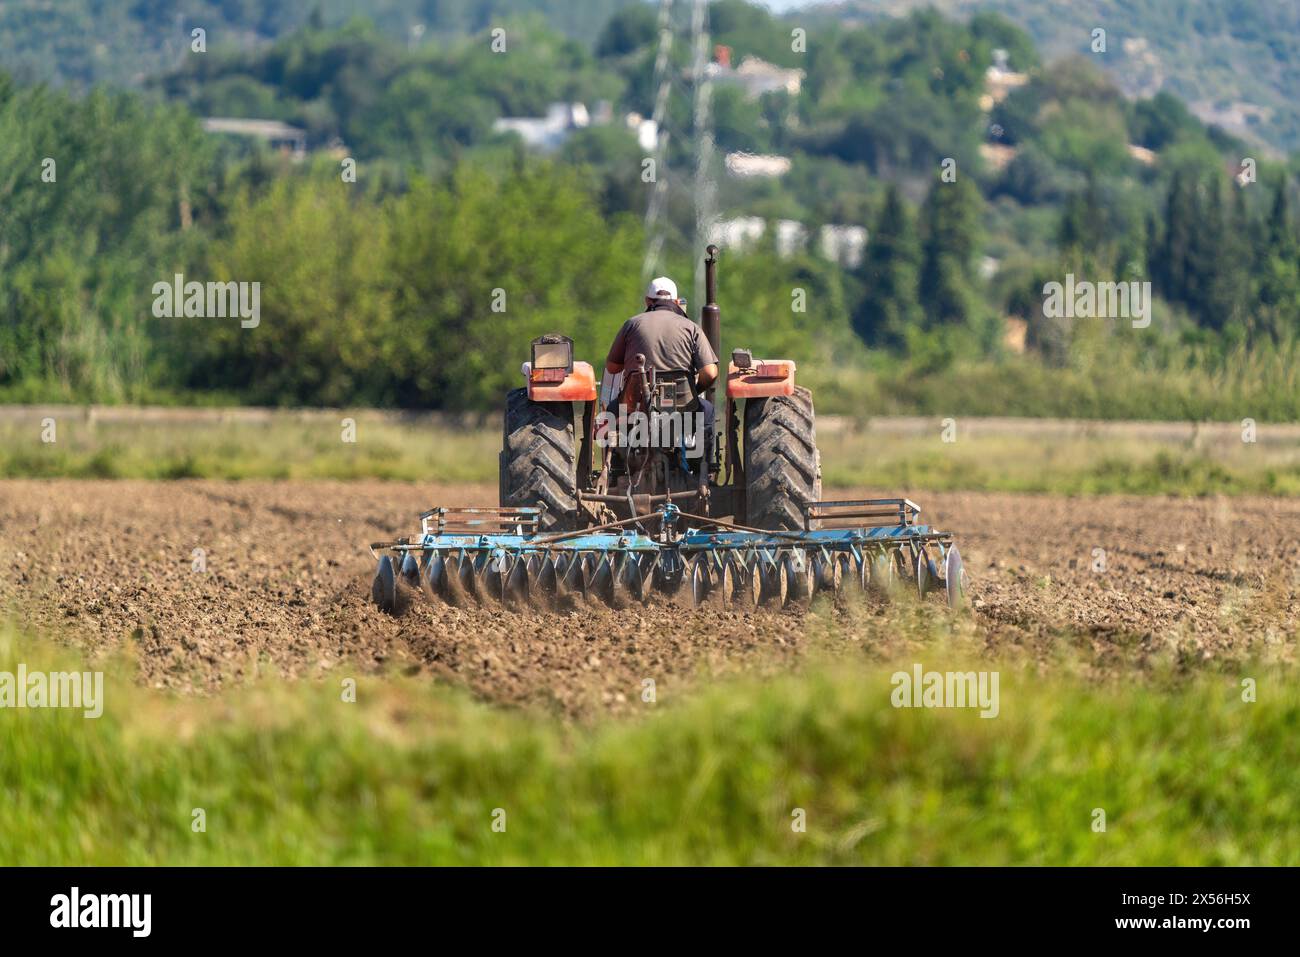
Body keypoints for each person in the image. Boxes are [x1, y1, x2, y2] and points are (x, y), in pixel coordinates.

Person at [603, 276, 718, 459]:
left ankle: (616, 470)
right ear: (675, 301)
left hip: (636, 405)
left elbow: (612, 367)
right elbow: (710, 372)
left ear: (648, 301)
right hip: (682, 406)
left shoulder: (632, 324)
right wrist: (693, 392)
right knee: (708, 411)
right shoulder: (691, 327)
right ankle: (702, 468)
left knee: (611, 410)